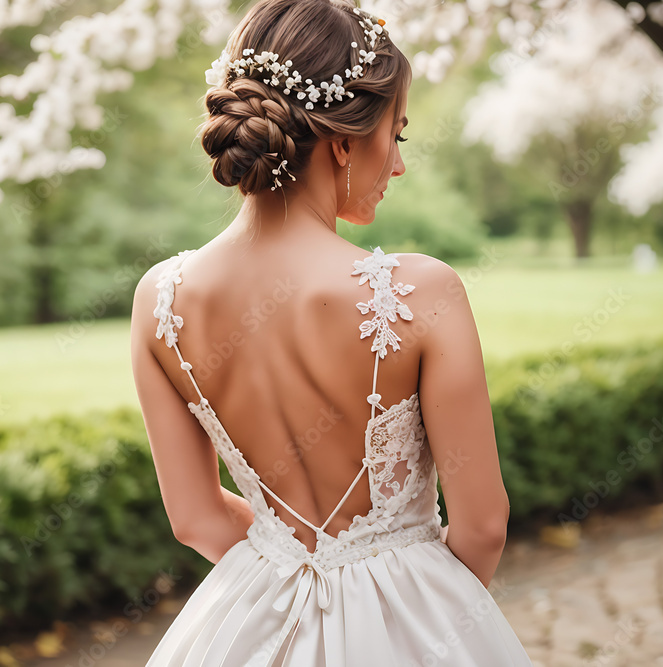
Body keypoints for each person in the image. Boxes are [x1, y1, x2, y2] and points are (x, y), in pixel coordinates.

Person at [129, 0, 533, 664]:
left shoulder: (160, 300)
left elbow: (195, 519)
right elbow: (484, 524)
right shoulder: (420, 293)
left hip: (248, 621)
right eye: (395, 134)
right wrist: (419, 620)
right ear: (344, 141)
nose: (398, 165)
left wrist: (288, 569)